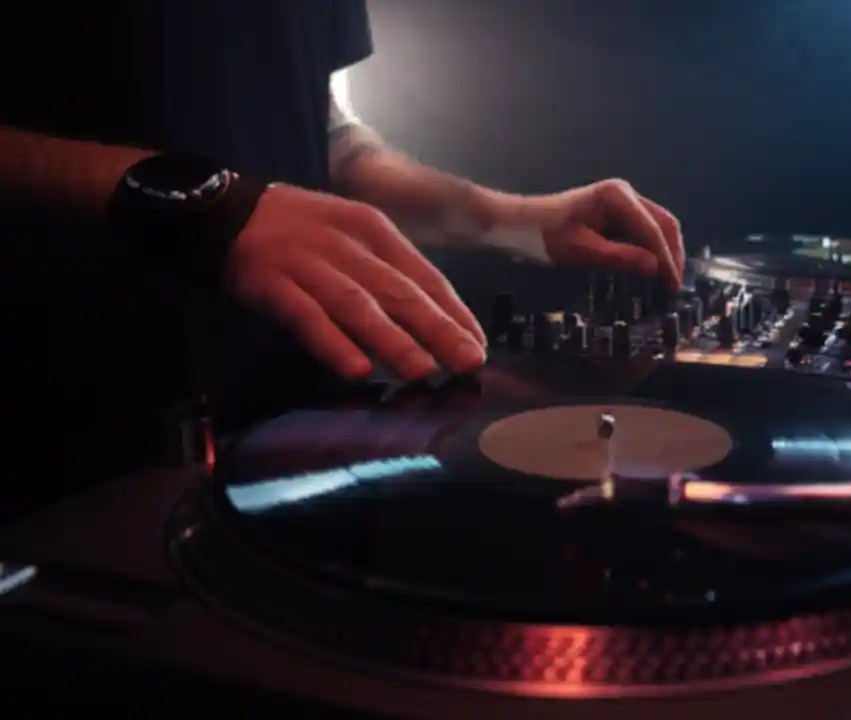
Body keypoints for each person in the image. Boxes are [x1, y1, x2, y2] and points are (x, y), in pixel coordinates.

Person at [0, 1, 684, 514]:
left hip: (289, 447)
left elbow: (327, 138)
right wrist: (201, 206)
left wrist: (521, 222)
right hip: (72, 451)